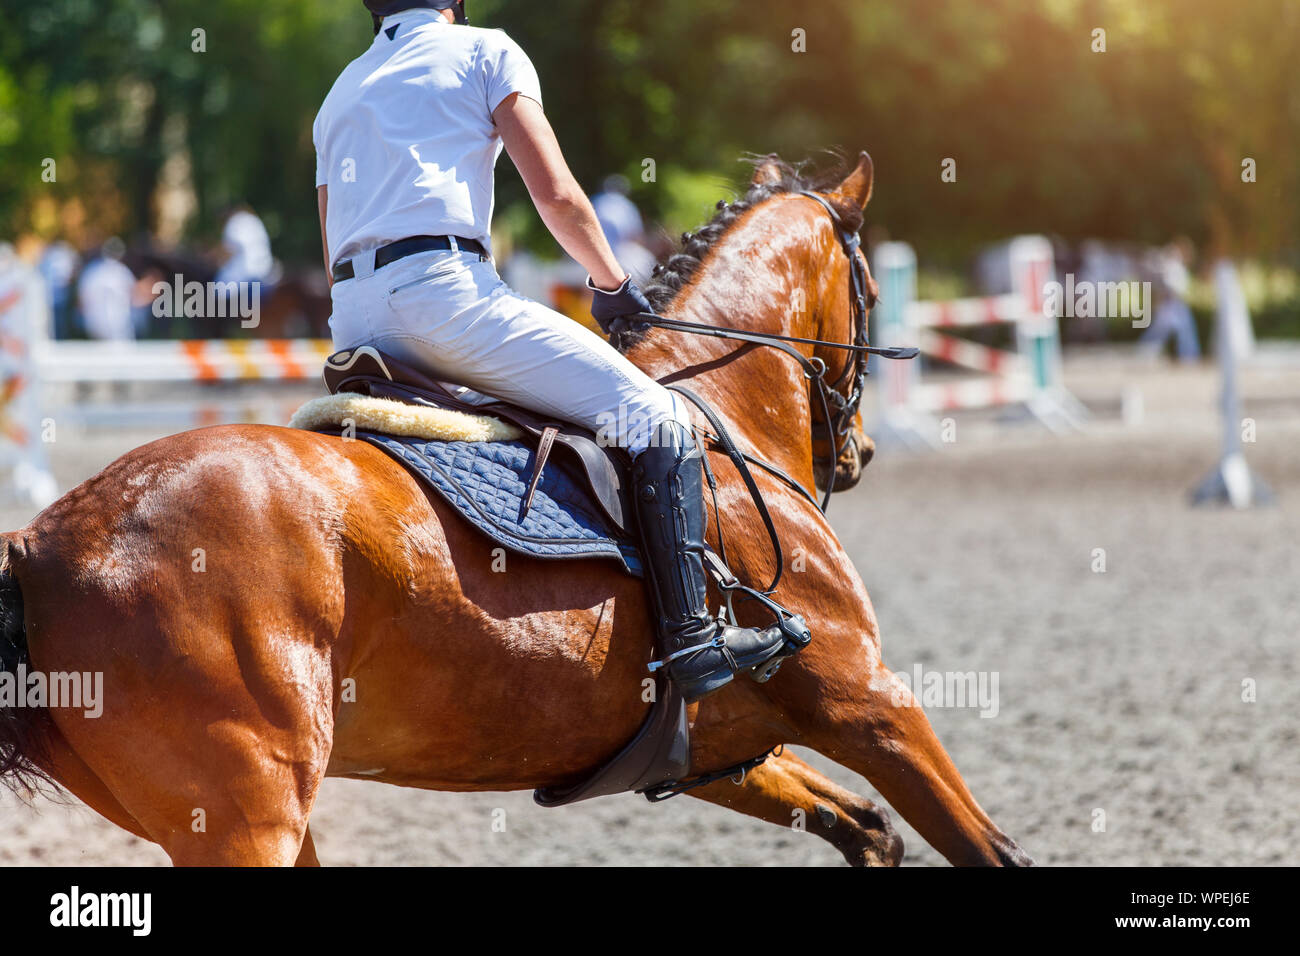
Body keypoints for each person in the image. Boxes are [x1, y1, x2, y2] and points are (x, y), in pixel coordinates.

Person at [313, 1, 805, 702]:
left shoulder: (338, 94)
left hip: (355, 319)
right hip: (443, 298)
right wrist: (611, 284)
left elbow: (331, 245)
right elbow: (559, 196)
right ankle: (693, 638)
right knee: (657, 417)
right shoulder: (487, 50)